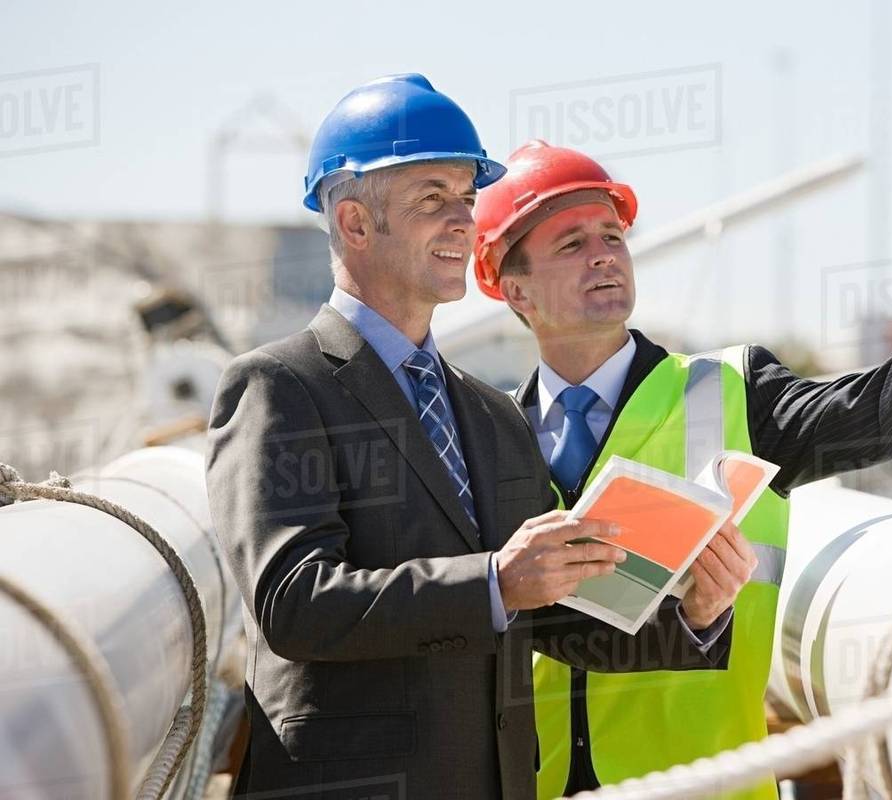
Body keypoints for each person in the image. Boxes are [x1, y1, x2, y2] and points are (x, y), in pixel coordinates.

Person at [206, 77, 749, 800]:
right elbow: (294, 603)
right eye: (434, 198)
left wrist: (696, 617)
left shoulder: (493, 415)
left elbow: (548, 613)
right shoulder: (282, 385)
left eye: (467, 197)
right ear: (355, 222)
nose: (465, 221)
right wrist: (494, 580)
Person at [471, 140, 892, 799]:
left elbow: (877, 416)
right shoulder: (486, 436)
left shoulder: (734, 390)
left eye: (613, 235)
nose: (604, 254)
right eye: (571, 243)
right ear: (516, 289)